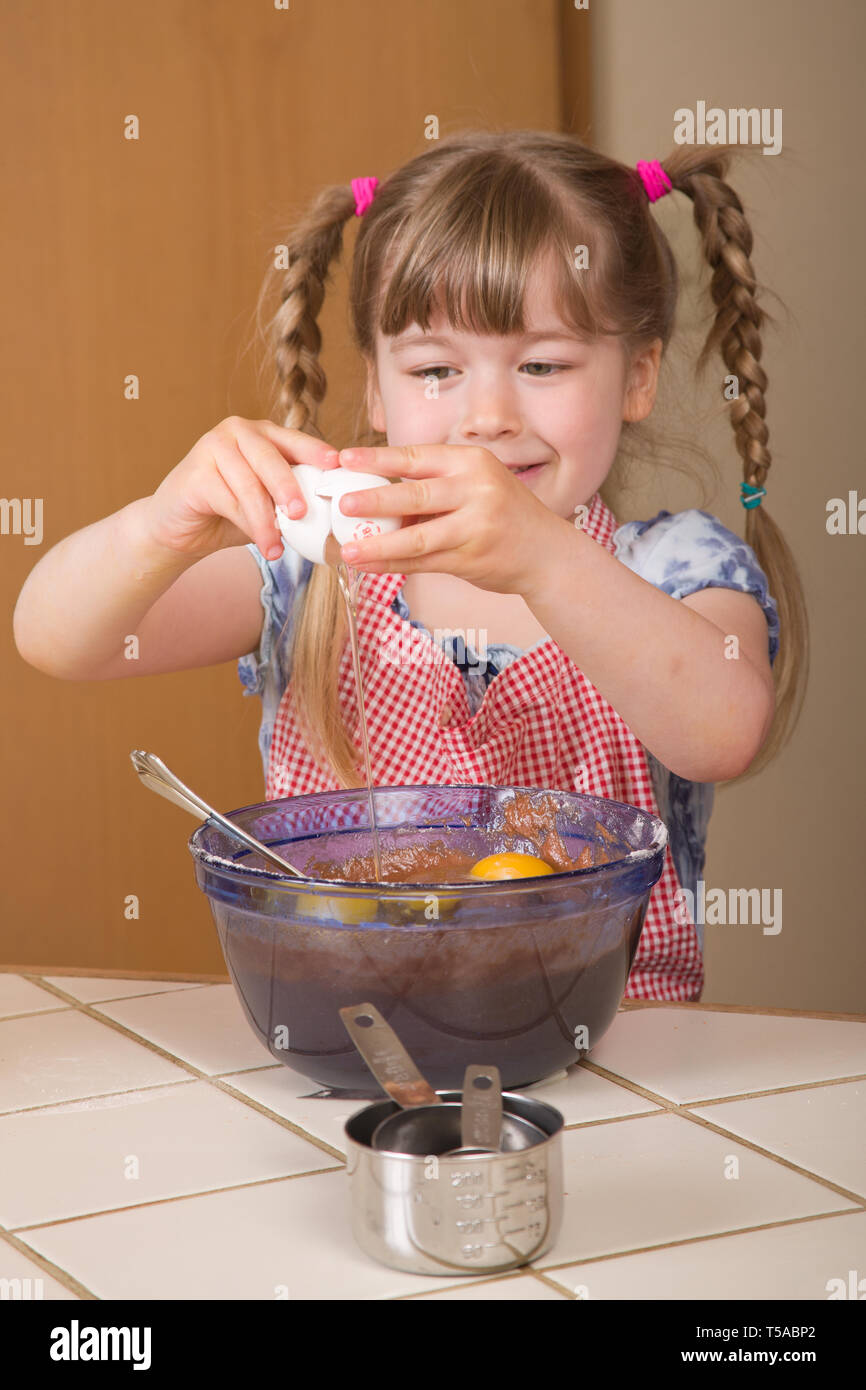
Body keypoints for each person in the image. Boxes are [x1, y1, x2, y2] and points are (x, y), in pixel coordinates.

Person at [13, 130, 808, 1003]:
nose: (488, 415)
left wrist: (544, 558)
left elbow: (724, 730)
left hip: (620, 1065)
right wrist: (155, 528)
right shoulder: (317, 572)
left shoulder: (673, 564)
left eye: (543, 363)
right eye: (436, 369)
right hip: (351, 1051)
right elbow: (59, 640)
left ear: (637, 376)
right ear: (380, 392)